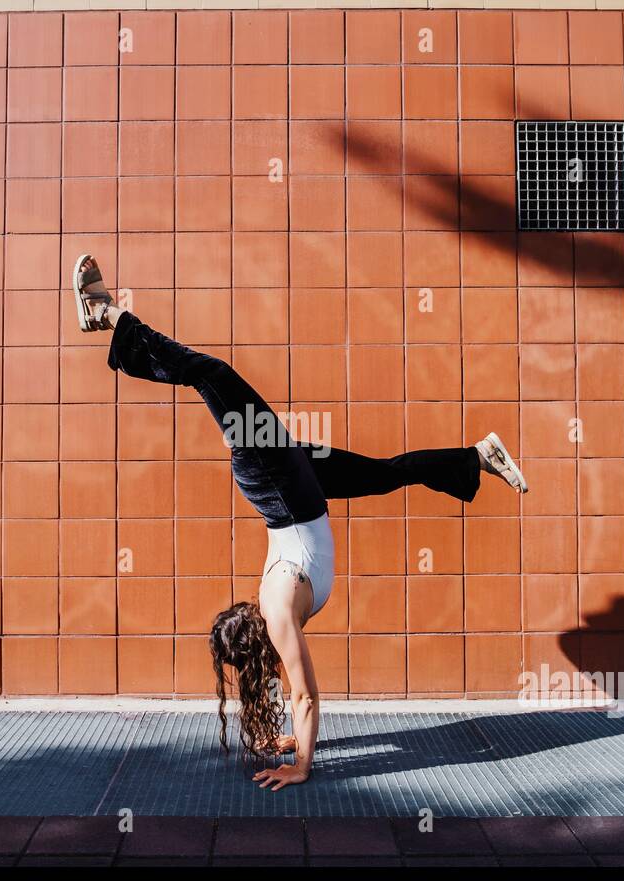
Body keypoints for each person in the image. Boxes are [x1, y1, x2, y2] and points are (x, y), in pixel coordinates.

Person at [73, 255, 527, 790]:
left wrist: (289, 737)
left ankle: (475, 458)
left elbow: (292, 693)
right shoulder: (278, 611)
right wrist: (302, 765)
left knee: (385, 474)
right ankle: (106, 315)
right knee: (214, 375)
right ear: (249, 624)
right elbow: (306, 694)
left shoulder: (280, 617)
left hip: (294, 491)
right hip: (279, 486)